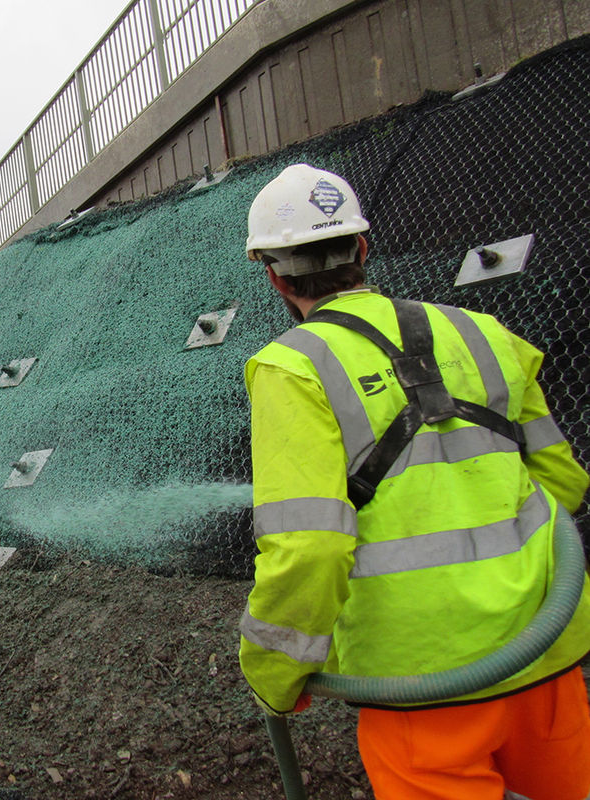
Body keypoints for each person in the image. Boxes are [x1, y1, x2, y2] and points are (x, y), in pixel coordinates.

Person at [236, 163, 590, 799]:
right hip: (546, 655)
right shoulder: (484, 333)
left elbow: (310, 546)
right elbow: (561, 478)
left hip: (420, 682)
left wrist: (274, 669)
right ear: (363, 249)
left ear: (272, 274)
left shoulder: (291, 368)